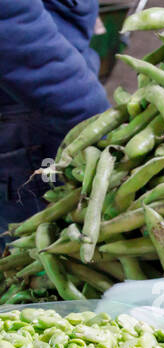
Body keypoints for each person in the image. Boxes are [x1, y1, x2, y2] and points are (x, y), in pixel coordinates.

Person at [0, 1, 111, 242]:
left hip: (51, 94)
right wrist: (97, 121)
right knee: (43, 251)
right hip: (31, 112)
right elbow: (10, 22)